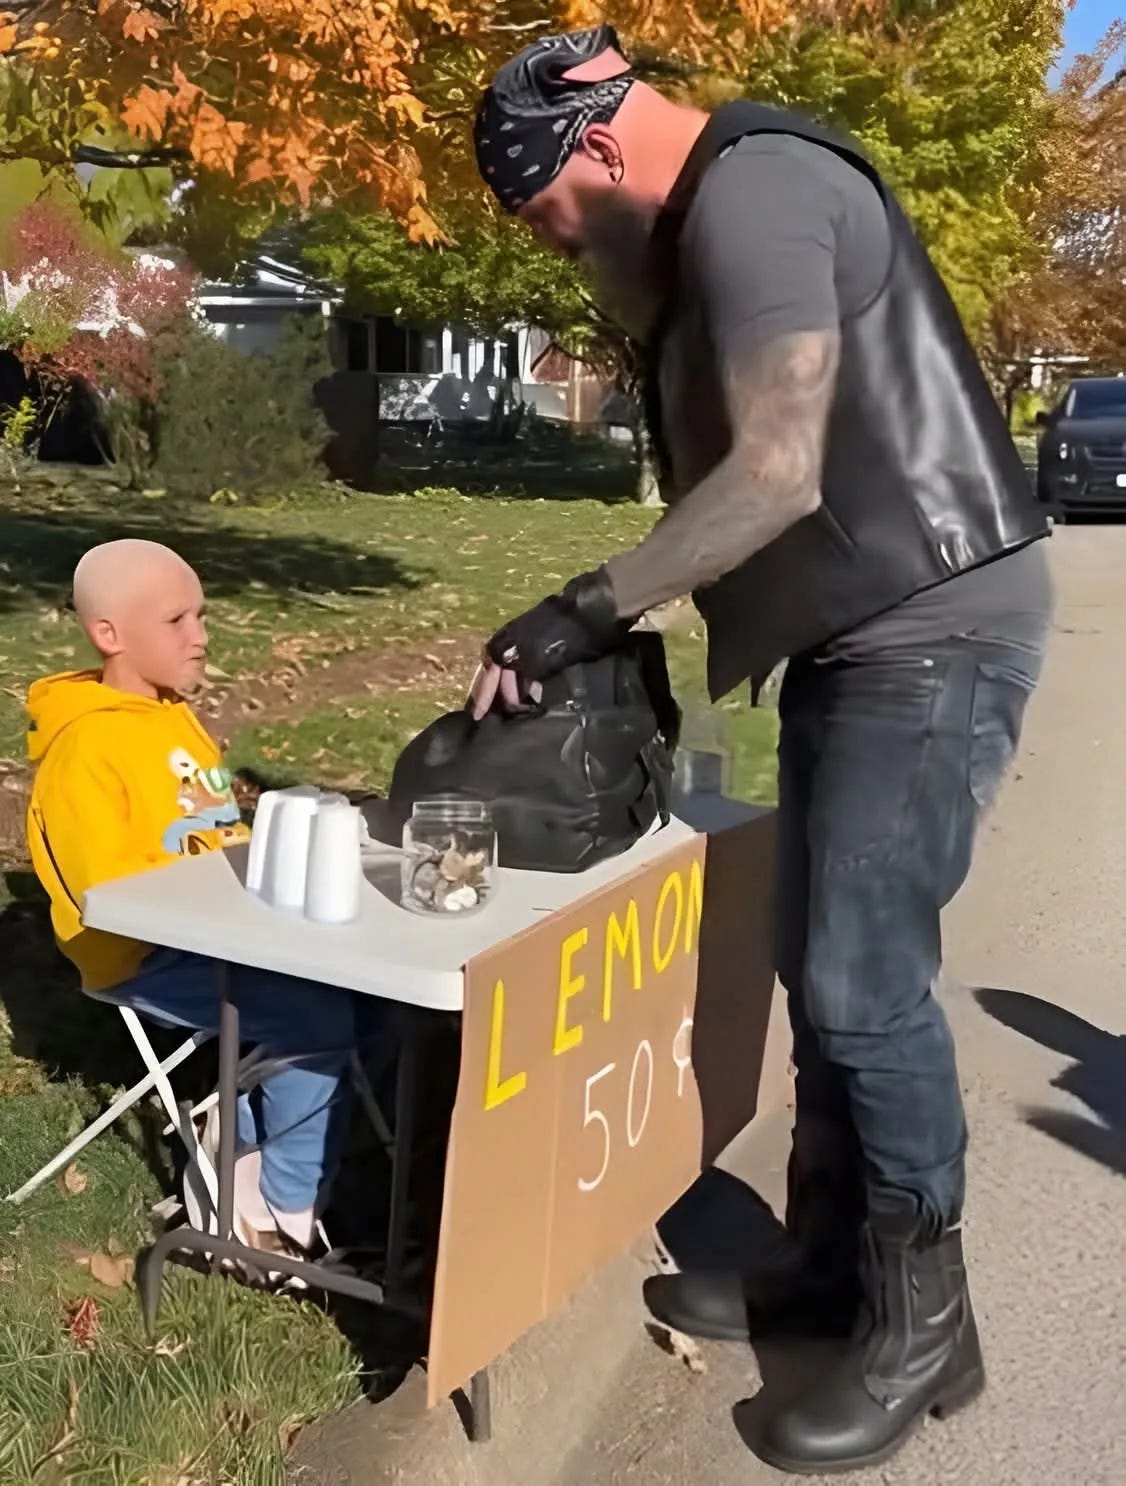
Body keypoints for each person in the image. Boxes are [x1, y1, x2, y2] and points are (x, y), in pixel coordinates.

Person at [470, 27, 1053, 1475]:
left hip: (928, 626)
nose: (560, 250)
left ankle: (925, 1327)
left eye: (547, 216)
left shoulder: (759, 190)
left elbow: (781, 469)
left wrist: (584, 604)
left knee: (863, 983)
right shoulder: (726, 206)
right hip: (864, 628)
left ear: (594, 151)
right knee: (818, 956)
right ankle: (822, 1269)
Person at [26, 539, 361, 1262]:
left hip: (227, 930)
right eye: (177, 619)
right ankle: (280, 1208)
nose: (202, 635)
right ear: (108, 635)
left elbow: (213, 831)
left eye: (201, 615)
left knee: (375, 989)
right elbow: (113, 898)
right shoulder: (85, 750)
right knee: (316, 1016)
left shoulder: (171, 714)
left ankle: (245, 1145)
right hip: (141, 955)